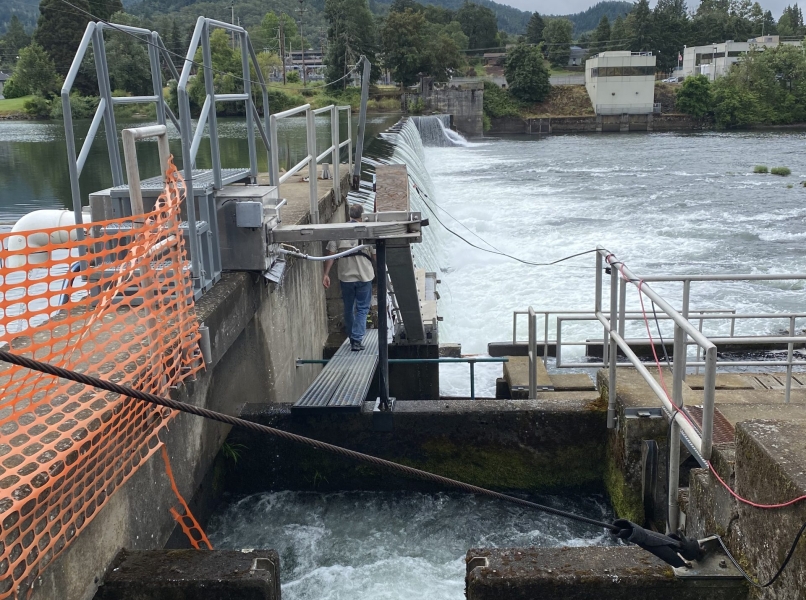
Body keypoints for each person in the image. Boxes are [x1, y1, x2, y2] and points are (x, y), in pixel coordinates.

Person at [323, 204, 375, 351]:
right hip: (364, 276)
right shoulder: (367, 230)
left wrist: (326, 274)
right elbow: (376, 255)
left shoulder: (339, 230)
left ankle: (352, 338)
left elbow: (331, 254)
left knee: (348, 308)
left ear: (349, 215)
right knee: (362, 309)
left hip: (346, 277)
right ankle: (357, 339)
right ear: (362, 215)